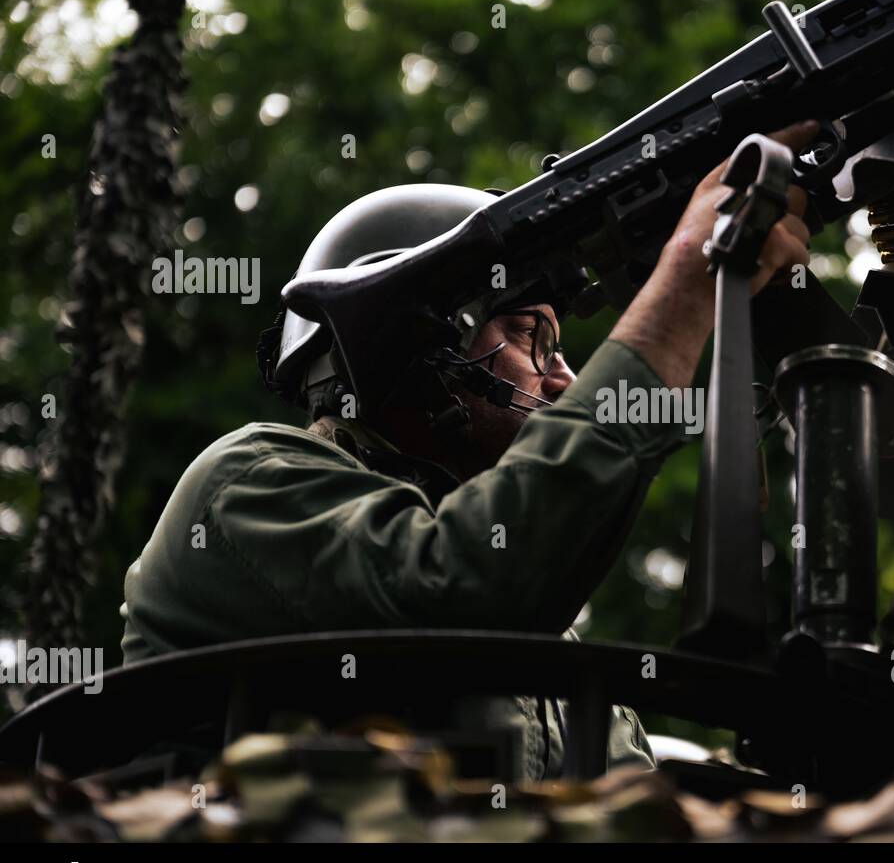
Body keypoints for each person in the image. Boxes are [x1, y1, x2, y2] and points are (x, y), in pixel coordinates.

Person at [118, 122, 818, 780]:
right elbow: (458, 591)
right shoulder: (247, 483)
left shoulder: (560, 656)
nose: (564, 379)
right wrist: (690, 278)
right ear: (423, 354)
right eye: (530, 337)